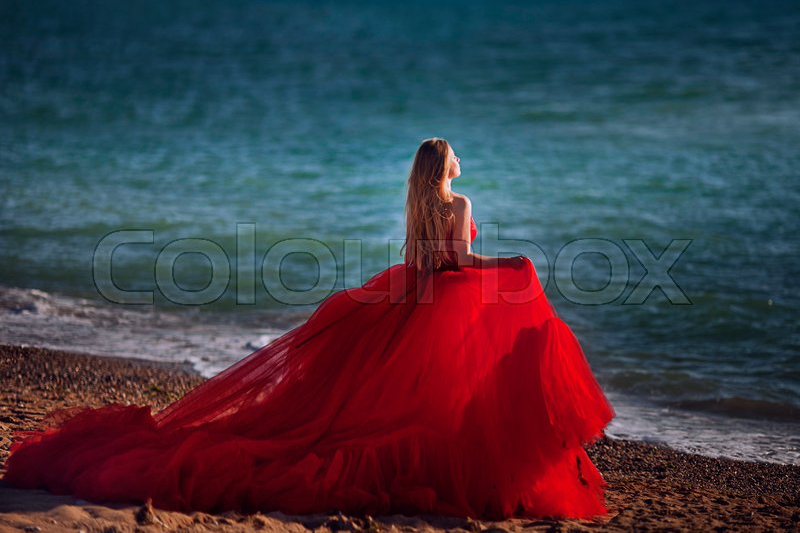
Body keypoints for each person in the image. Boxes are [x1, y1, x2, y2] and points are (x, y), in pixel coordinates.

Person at [4, 138, 615, 520]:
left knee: (395, 397)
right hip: (443, 297)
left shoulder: (419, 204)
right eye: (453, 152)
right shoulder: (459, 203)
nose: (460, 156)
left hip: (412, 294)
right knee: (447, 391)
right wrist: (512, 263)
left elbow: (426, 260)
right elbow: (459, 262)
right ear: (444, 165)